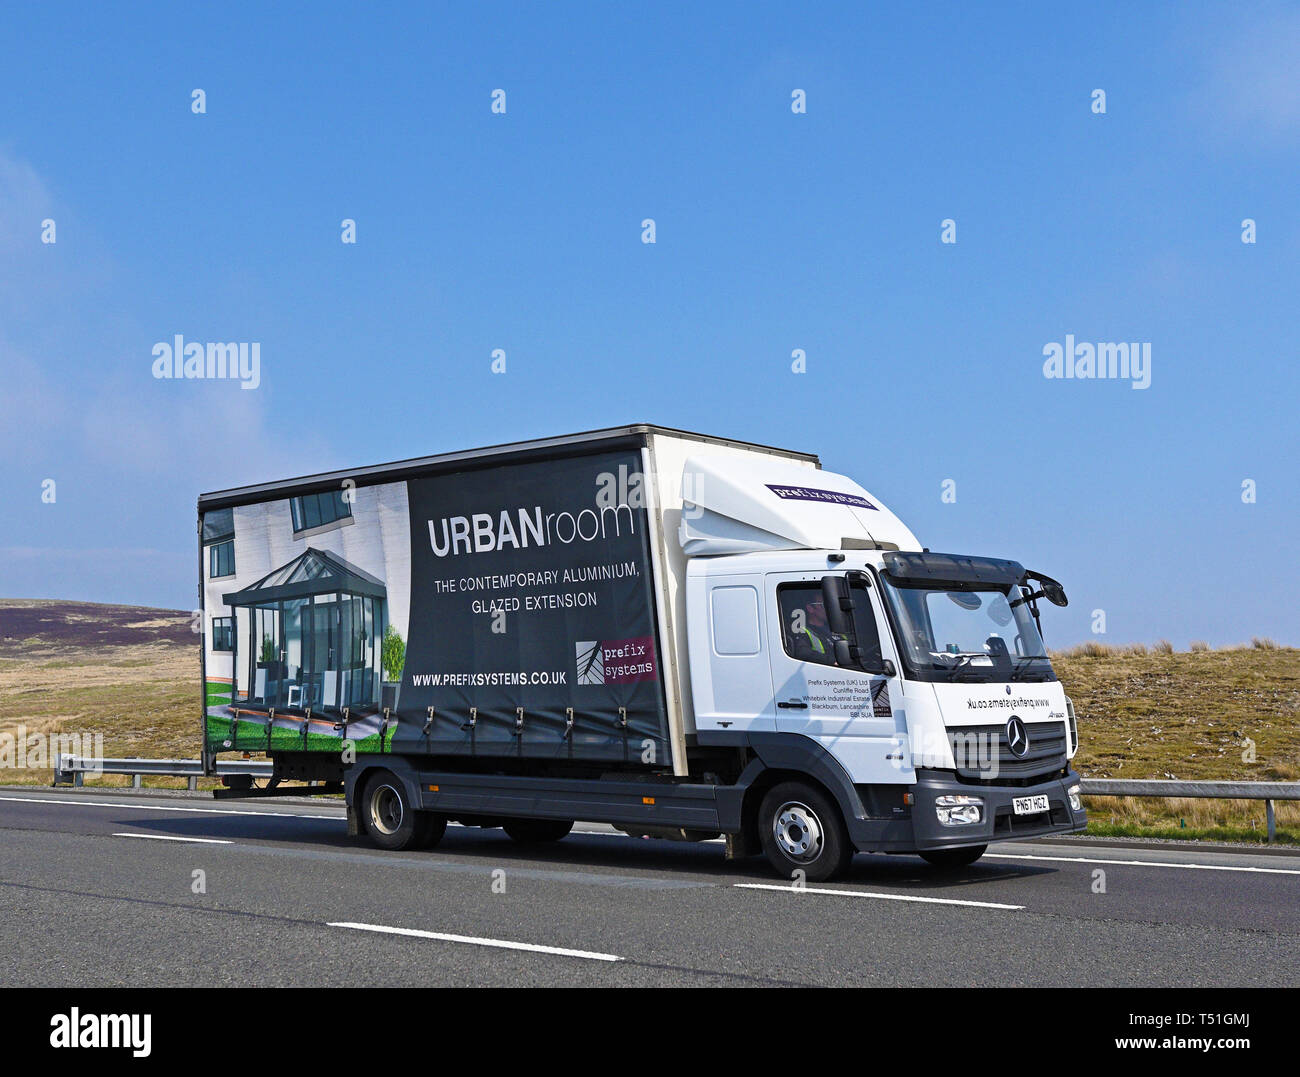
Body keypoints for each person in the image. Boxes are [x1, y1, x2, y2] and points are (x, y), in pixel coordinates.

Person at [789, 597, 837, 665]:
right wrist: (831, 661)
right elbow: (803, 653)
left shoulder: (836, 629)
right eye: (823, 605)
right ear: (810, 608)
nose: (828, 608)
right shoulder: (801, 631)